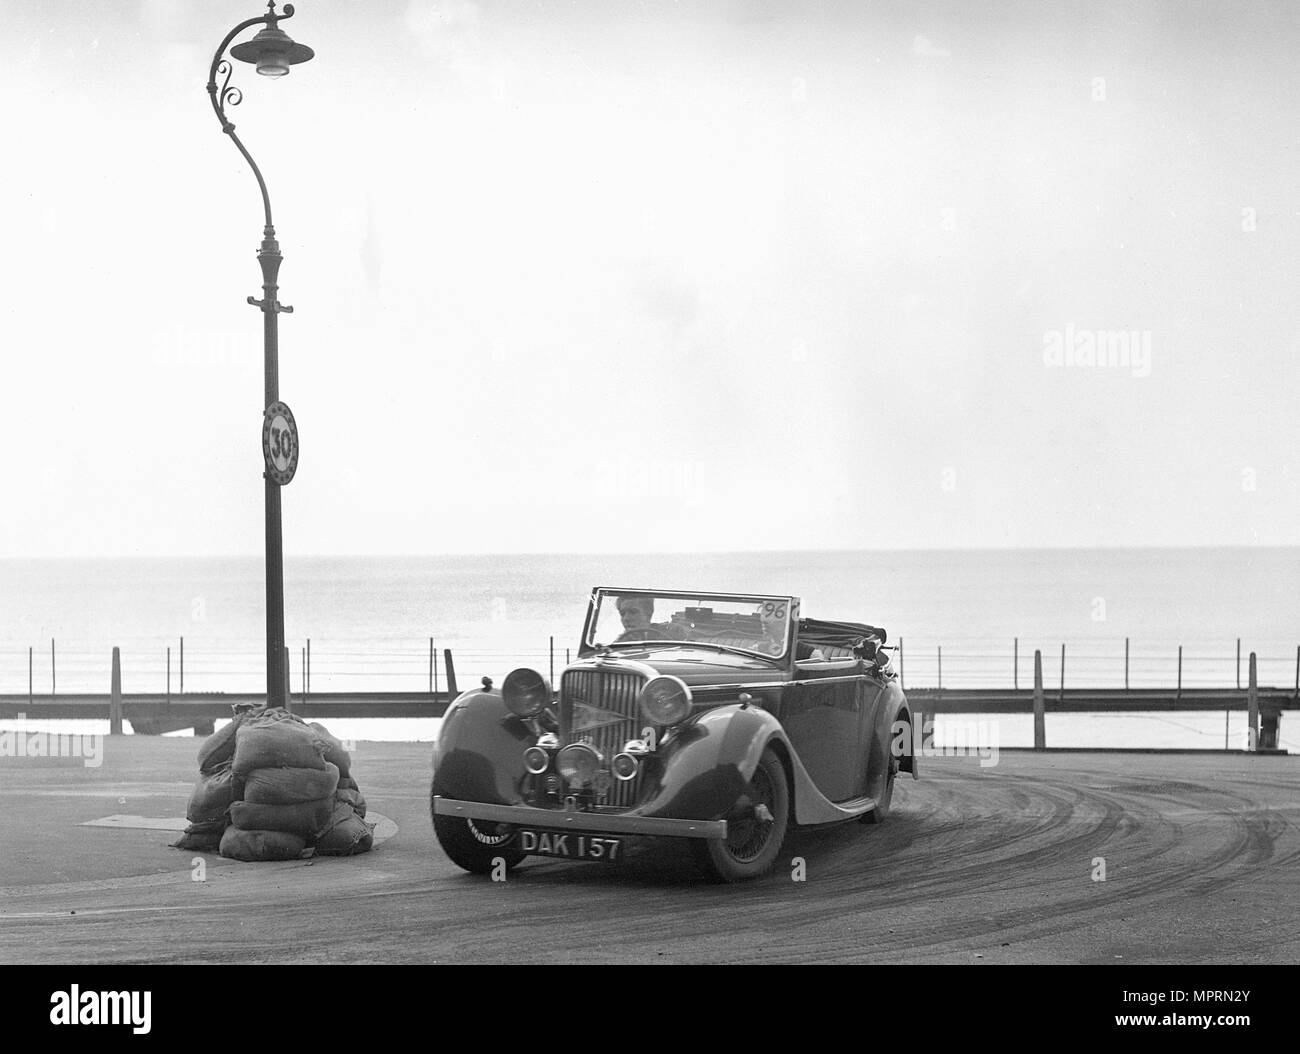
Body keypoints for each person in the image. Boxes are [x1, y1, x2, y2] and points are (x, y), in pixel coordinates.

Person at [614, 595, 688, 642]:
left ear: (648, 613)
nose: (626, 618)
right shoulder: (618, 644)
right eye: (622, 614)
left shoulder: (671, 632)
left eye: (633, 612)